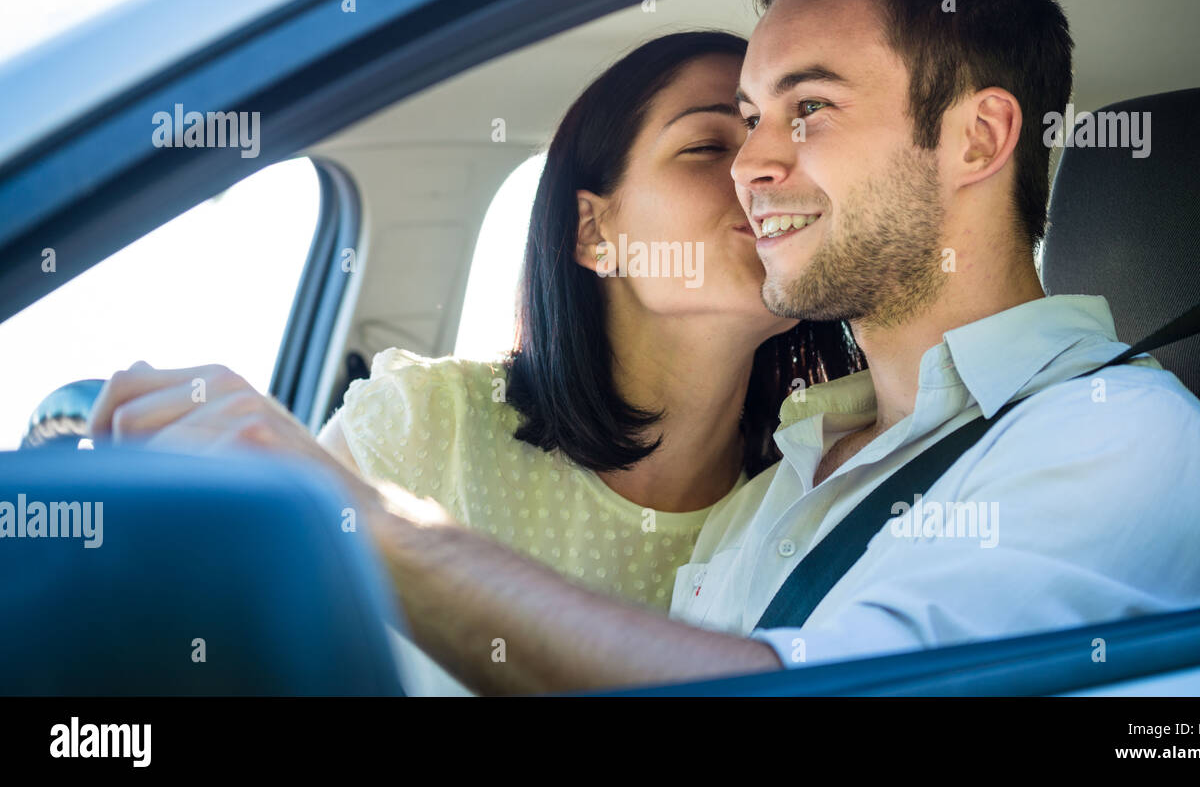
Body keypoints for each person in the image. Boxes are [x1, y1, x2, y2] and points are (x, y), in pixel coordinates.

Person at [90, 0, 1200, 695]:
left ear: (977, 138)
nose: (753, 165)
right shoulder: (806, 460)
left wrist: (365, 521)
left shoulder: (1116, 438)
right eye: (741, 121)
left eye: (805, 109)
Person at [89, 30, 863, 621]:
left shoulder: (824, 484)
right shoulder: (423, 432)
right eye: (707, 145)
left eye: (788, 136)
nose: (762, 172)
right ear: (593, 234)